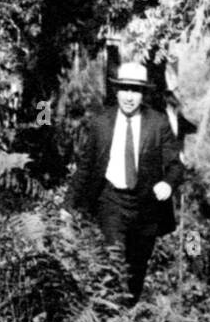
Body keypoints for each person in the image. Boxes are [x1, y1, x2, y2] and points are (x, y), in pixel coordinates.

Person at [67, 61, 184, 303]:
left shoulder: (158, 123)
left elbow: (175, 164)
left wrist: (168, 184)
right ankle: (108, 319)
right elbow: (86, 167)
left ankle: (126, 321)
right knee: (114, 261)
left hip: (146, 205)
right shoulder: (101, 123)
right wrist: (68, 206)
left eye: (135, 90)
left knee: (137, 269)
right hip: (111, 201)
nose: (129, 96)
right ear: (117, 91)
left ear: (143, 93)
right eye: (125, 89)